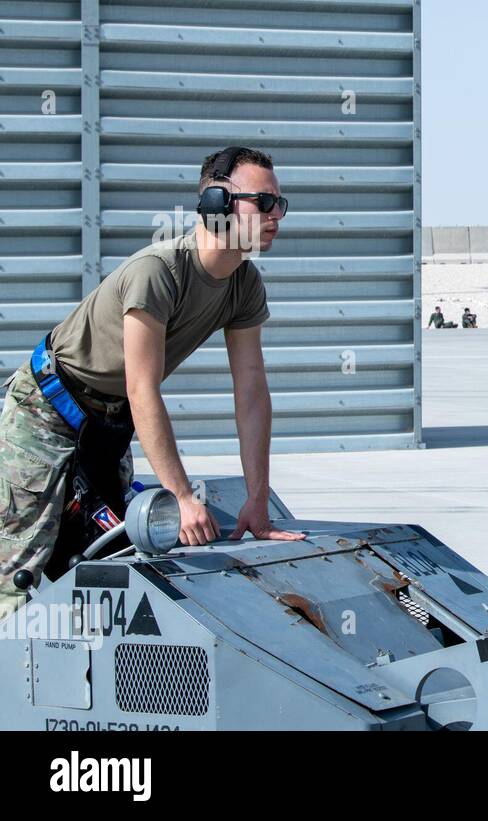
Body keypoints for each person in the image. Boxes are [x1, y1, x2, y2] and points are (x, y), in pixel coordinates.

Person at [0, 145, 304, 619]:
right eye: (263, 203)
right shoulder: (157, 271)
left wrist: (257, 501)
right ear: (217, 204)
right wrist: (182, 497)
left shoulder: (245, 284)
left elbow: (250, 391)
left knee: (102, 560)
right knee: (20, 573)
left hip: (108, 423)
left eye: (279, 204)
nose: (275, 215)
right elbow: (144, 387)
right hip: (46, 412)